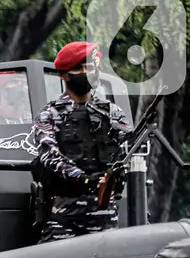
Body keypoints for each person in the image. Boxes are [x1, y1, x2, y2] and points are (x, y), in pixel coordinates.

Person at [29, 41, 133, 244]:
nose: (87, 74)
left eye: (91, 68)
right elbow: (49, 155)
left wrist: (113, 174)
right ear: (64, 75)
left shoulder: (112, 113)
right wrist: (84, 178)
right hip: (65, 215)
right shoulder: (50, 114)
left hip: (104, 215)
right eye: (80, 69)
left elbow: (129, 148)